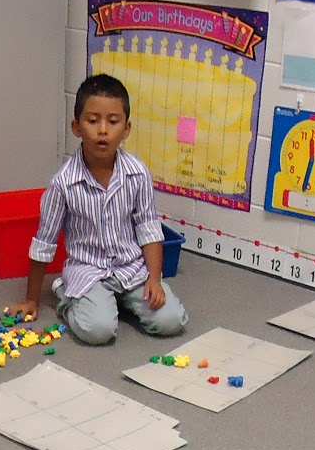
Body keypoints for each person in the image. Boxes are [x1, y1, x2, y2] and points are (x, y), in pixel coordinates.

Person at [13, 74, 187, 345]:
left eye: (113, 121)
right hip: (88, 271)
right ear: (76, 127)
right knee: (99, 331)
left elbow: (149, 230)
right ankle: (68, 296)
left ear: (127, 129)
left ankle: (123, 301)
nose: (103, 130)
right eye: (92, 121)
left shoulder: (138, 174)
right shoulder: (63, 184)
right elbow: (43, 244)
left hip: (132, 269)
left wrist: (154, 278)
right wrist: (31, 300)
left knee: (171, 321)